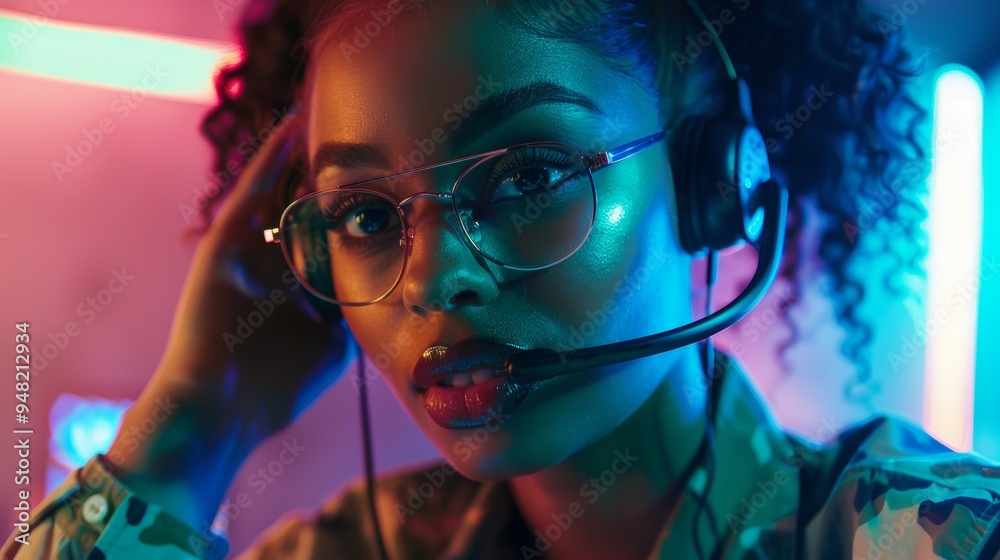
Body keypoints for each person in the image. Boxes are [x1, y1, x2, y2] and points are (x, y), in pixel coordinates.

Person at [4, 0, 1000, 558]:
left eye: (528, 176)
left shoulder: (928, 536)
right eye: (365, 214)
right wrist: (194, 417)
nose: (435, 278)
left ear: (716, 176)